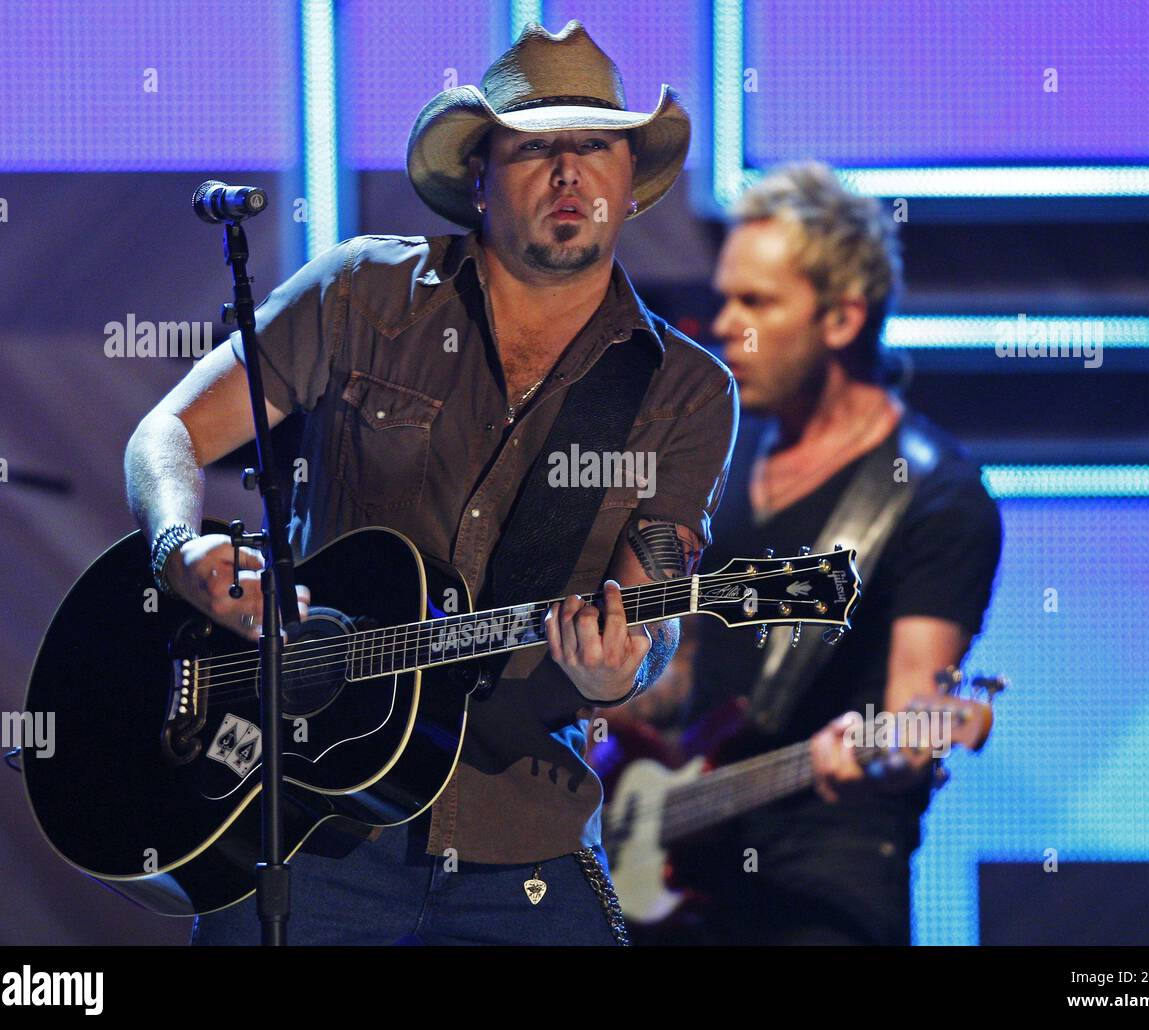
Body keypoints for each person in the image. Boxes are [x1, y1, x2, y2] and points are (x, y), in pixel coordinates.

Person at [123, 20, 736, 946]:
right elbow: (166, 431)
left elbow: (648, 606)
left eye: (594, 146)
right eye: (535, 148)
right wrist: (179, 547)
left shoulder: (685, 390)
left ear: (629, 181)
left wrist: (624, 664)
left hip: (519, 830)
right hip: (312, 819)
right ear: (479, 175)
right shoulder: (362, 294)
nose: (568, 174)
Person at [620, 161, 1002, 945]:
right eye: (726, 296)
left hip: (827, 886)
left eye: (756, 301)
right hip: (684, 867)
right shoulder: (722, 458)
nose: (725, 322)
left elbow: (914, 717)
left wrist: (887, 751)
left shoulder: (935, 493)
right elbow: (685, 670)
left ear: (841, 319)